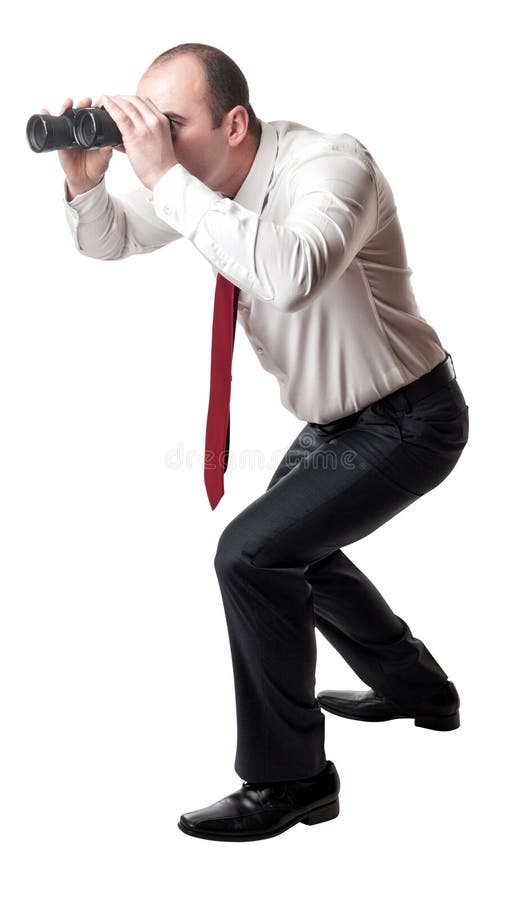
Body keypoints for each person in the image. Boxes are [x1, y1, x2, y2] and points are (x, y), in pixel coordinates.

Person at [41, 42, 470, 842]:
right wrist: (86, 179)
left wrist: (164, 177)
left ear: (235, 123)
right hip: (337, 423)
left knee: (251, 553)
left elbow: (293, 270)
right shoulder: (205, 180)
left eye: (171, 126)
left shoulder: (332, 168)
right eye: (147, 126)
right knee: (291, 550)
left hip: (412, 417)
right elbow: (110, 241)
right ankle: (420, 690)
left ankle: (292, 781)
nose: (155, 146)